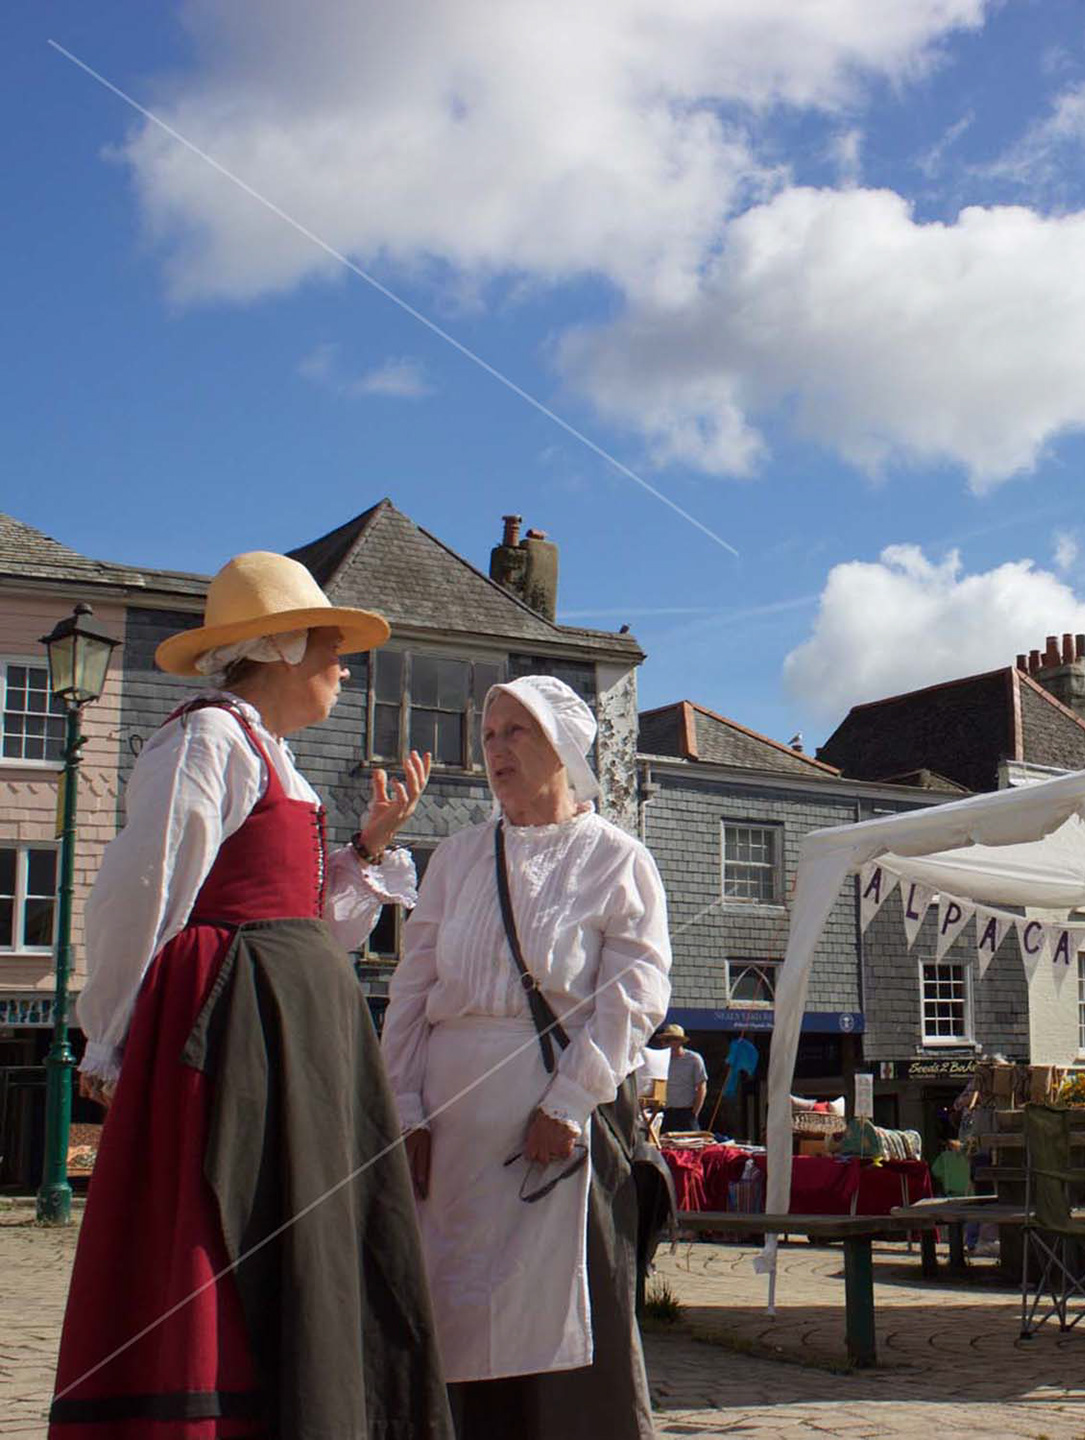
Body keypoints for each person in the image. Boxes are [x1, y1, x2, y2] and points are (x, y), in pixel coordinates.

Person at [51, 551, 451, 1437]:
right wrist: (109, 1035)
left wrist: (368, 850)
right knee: (222, 1219)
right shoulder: (208, 740)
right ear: (280, 647)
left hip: (295, 1034)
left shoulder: (276, 758)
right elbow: (144, 889)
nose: (345, 669)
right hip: (229, 1030)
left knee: (302, 1234)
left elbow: (312, 923)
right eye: (331, 649)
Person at [381, 675, 671, 1440]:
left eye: (517, 732)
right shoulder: (456, 858)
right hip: (447, 1135)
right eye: (489, 734)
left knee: (560, 1320)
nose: (496, 750)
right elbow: (411, 992)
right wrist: (404, 1110)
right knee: (451, 1315)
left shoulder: (617, 859)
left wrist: (568, 1103)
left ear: (563, 746)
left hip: (555, 1128)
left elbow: (635, 994)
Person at [655, 1024, 707, 1132]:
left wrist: (694, 1113)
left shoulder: (694, 1059)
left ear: (679, 1041)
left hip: (686, 1113)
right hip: (665, 1113)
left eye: (669, 1040)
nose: (665, 1043)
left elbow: (701, 1088)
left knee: (691, 1141)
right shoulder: (660, 1060)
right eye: (664, 1040)